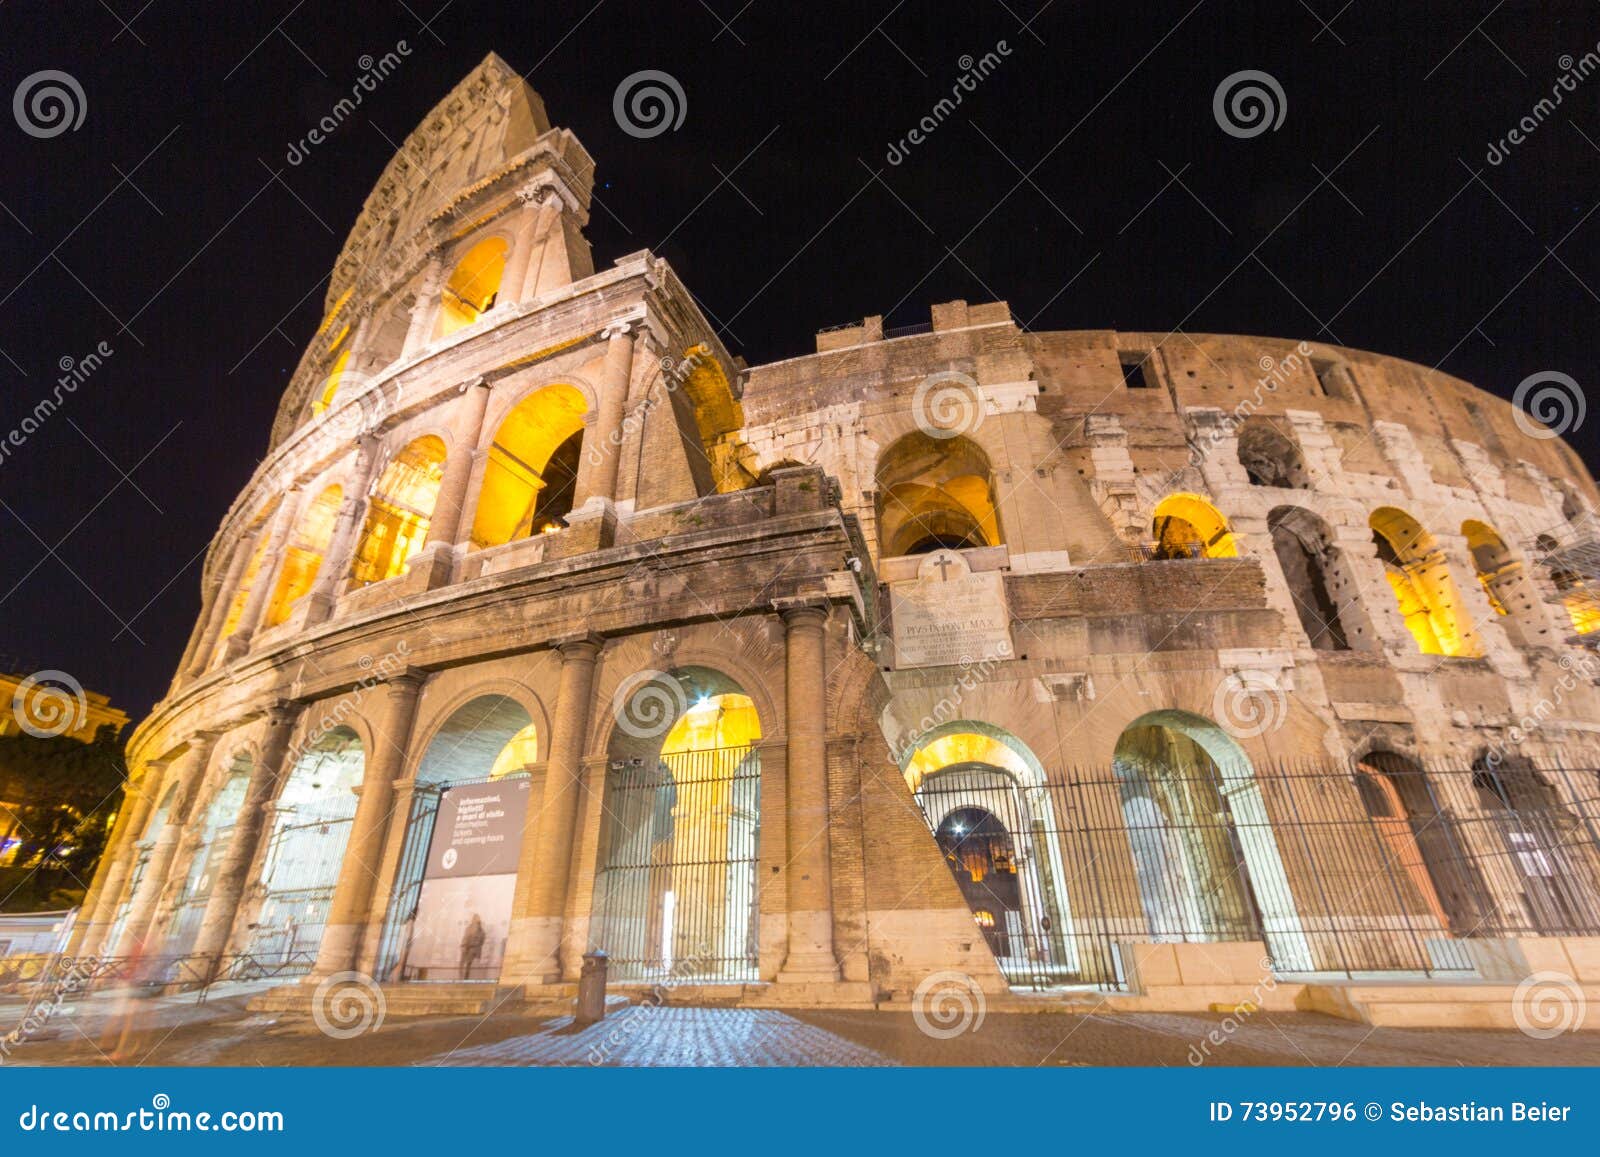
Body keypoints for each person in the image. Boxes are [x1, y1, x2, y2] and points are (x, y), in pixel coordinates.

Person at [458, 913, 486, 979]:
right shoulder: (469, 928)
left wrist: (477, 947)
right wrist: (463, 946)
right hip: (466, 947)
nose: (475, 920)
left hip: (473, 948)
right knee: (462, 963)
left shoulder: (481, 930)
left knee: (468, 963)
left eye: (477, 919)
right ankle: (461, 976)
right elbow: (465, 937)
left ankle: (465, 977)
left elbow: (482, 940)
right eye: (474, 919)